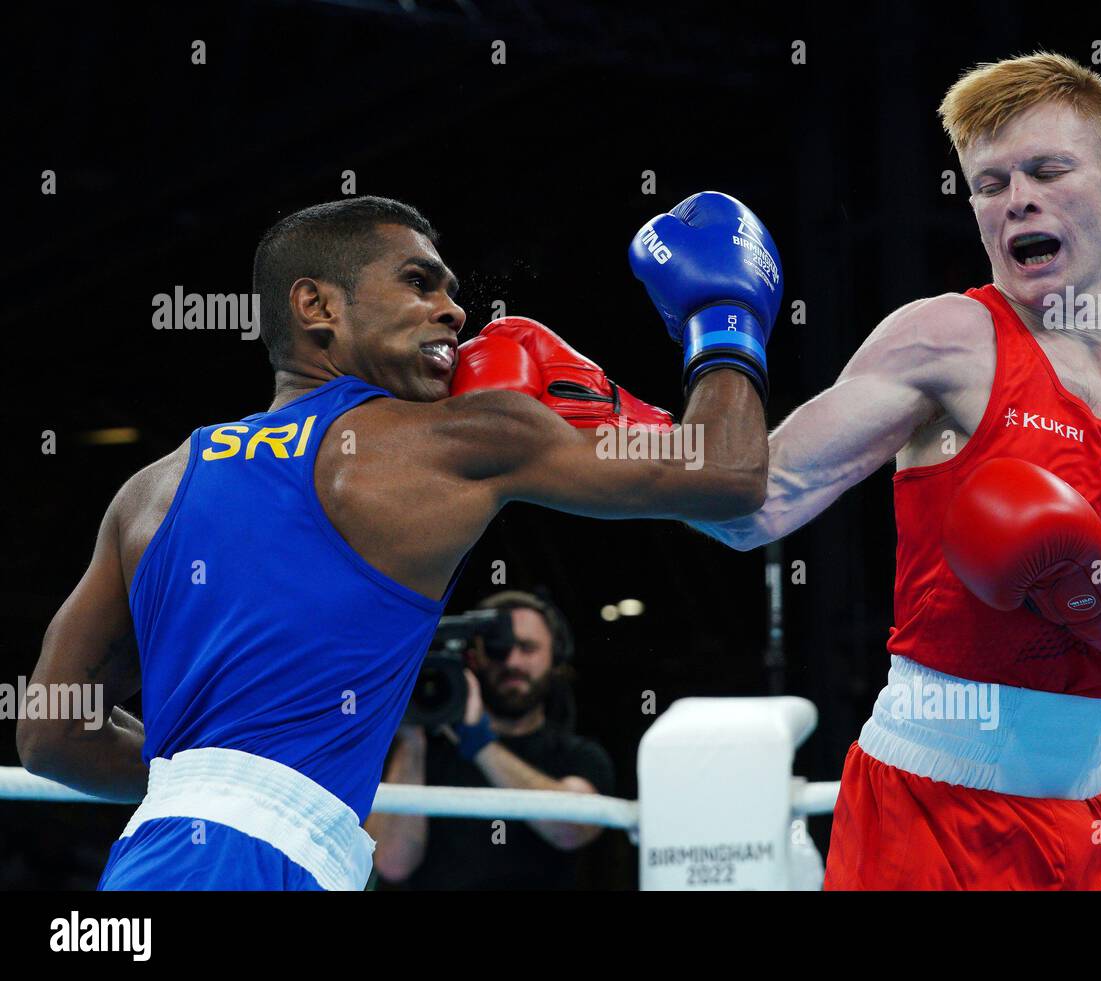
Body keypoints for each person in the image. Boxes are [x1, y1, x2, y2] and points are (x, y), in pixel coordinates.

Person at [16, 191, 782, 890]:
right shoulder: (464, 437)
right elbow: (730, 473)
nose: (453, 311)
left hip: (149, 860)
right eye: (421, 283)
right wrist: (723, 318)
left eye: (452, 290)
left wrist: (198, 787)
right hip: (255, 864)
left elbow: (50, 730)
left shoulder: (153, 487)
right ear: (317, 305)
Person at [693, 53, 1101, 889]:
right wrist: (722, 335)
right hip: (924, 812)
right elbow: (748, 509)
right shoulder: (947, 340)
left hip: (1084, 818)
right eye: (990, 184)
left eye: (1047, 169)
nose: (1016, 198)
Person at [369, 590, 614, 890]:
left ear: (555, 658)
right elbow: (391, 864)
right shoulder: (423, 754)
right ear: (474, 658)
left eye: (527, 648)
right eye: (499, 649)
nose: (512, 661)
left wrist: (479, 743)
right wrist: (413, 735)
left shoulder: (579, 755)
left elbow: (572, 829)